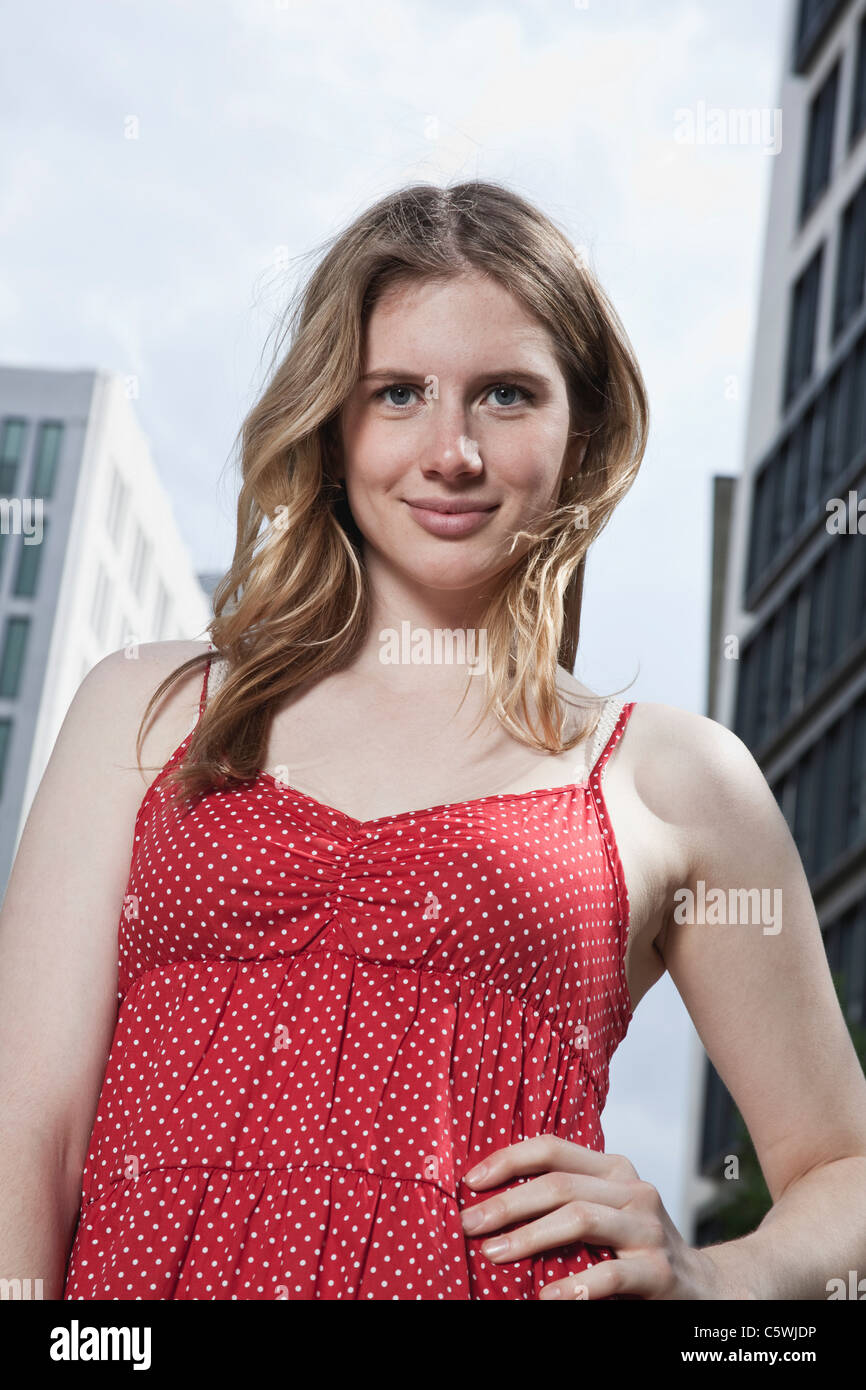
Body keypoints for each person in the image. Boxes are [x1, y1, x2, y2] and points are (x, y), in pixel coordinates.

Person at [2, 181, 865, 1301]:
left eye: (505, 395)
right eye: (396, 392)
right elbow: (26, 1133)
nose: (448, 450)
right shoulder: (150, 708)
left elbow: (842, 1172)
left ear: (582, 430)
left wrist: (711, 1280)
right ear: (330, 419)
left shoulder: (670, 778)